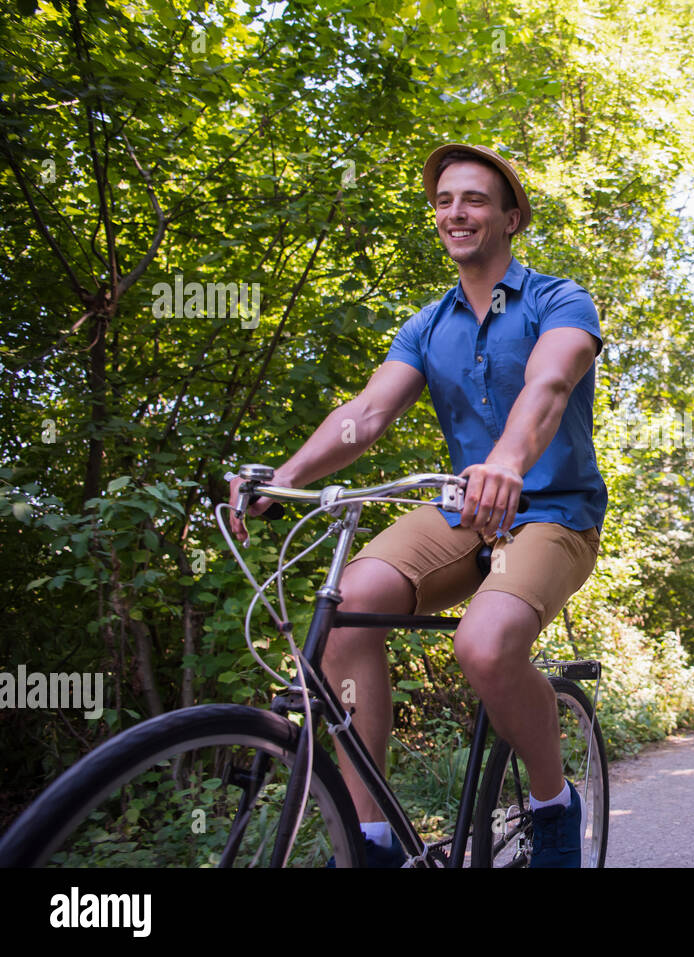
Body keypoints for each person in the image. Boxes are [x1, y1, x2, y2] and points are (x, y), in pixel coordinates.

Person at [227, 143, 605, 867]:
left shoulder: (561, 300)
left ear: (511, 217)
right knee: (348, 605)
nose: (455, 212)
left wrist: (507, 459)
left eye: (474, 199)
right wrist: (284, 475)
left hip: (554, 511)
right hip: (465, 512)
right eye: (443, 201)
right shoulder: (427, 326)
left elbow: (550, 386)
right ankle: (369, 839)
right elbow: (366, 415)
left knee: (485, 645)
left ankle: (555, 803)